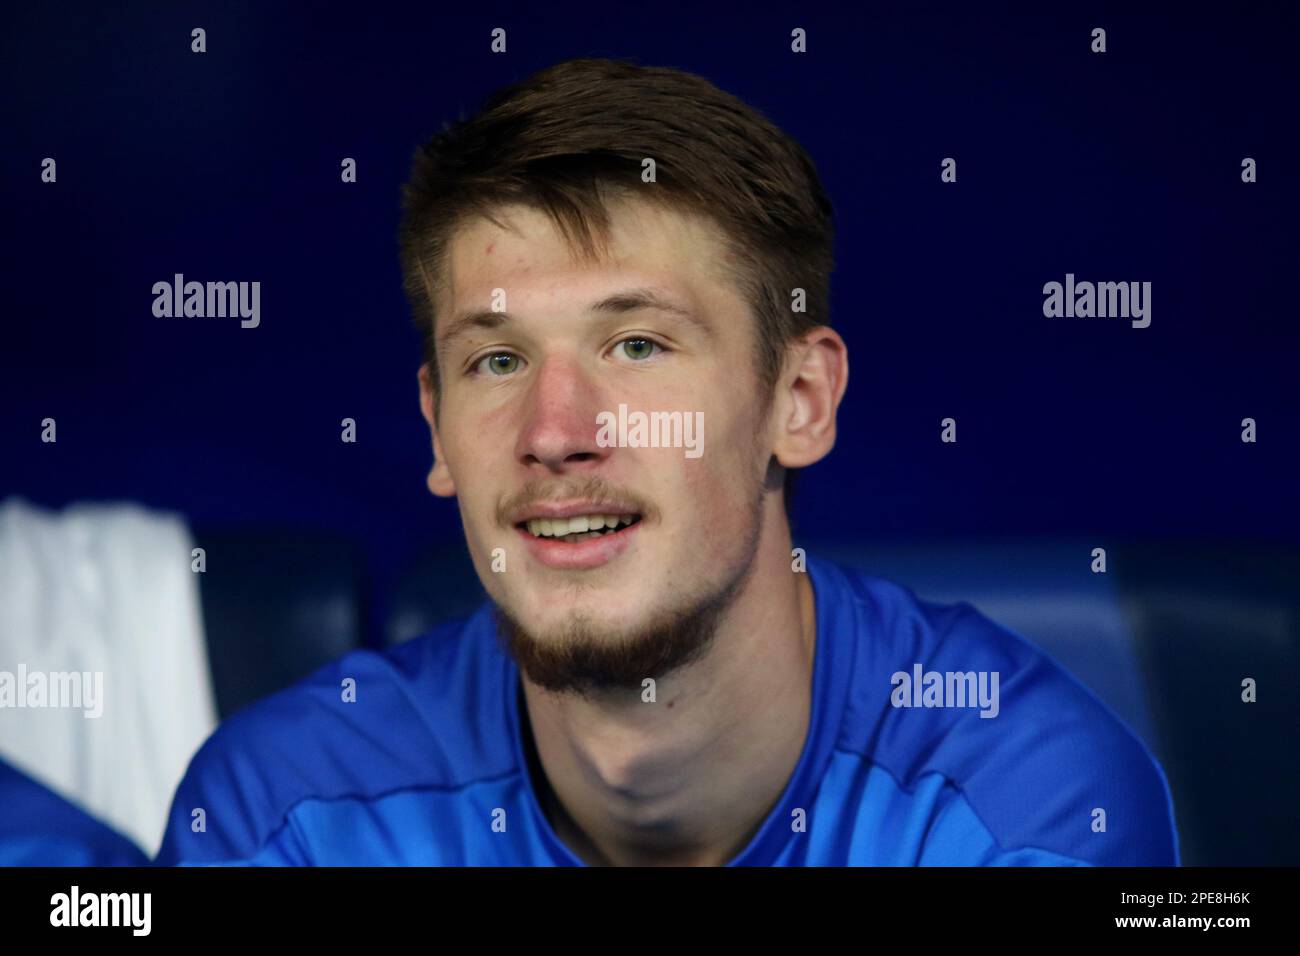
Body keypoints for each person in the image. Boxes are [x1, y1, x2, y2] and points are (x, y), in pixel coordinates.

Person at [156, 57, 1178, 866]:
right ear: (436, 430)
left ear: (799, 400)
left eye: (637, 344)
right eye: (498, 358)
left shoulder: (1025, 807)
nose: (555, 429)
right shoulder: (281, 815)